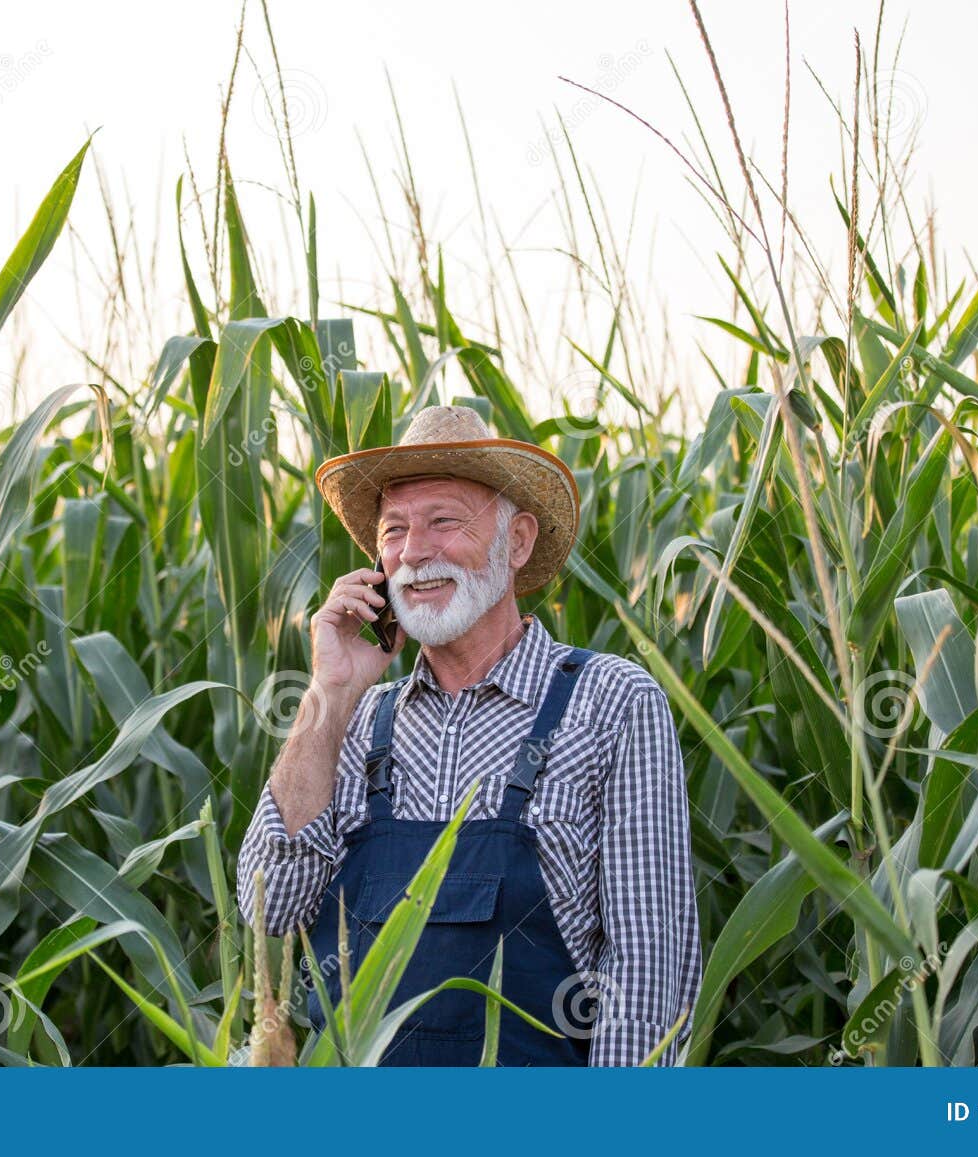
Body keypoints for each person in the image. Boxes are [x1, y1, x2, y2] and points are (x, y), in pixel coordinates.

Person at [238, 404, 700, 1065]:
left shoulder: (611, 703)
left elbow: (647, 973)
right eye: (394, 530)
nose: (414, 551)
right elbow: (269, 917)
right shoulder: (358, 721)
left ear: (516, 542)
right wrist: (329, 694)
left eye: (443, 521)